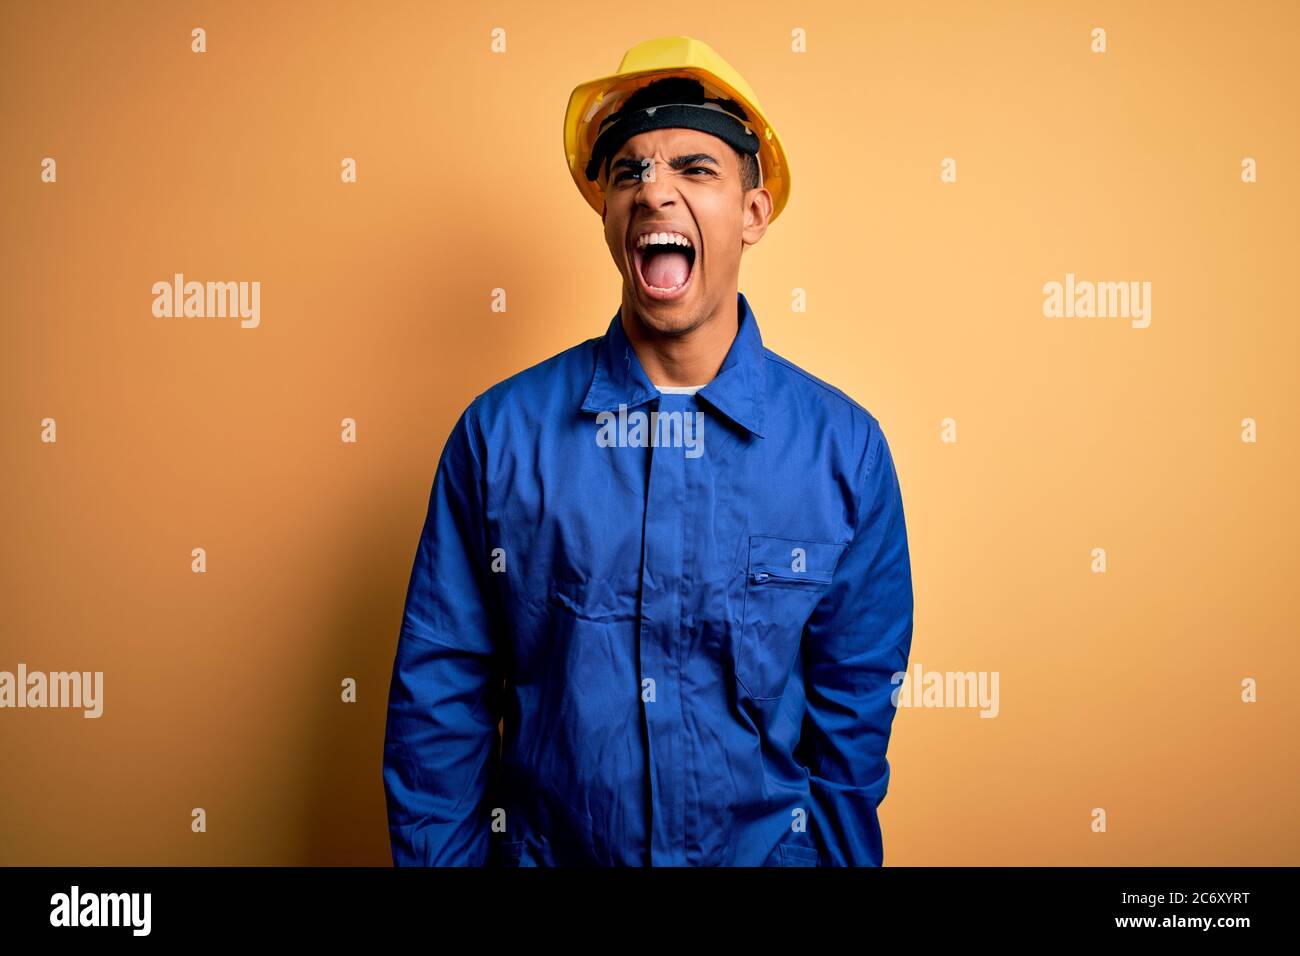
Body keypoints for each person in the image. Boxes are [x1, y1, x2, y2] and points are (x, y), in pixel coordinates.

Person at [382, 34, 914, 866]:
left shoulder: (844, 453)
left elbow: (852, 738)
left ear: (753, 212)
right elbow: (437, 706)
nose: (653, 190)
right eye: (629, 171)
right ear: (607, 215)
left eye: (695, 169)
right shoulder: (498, 438)